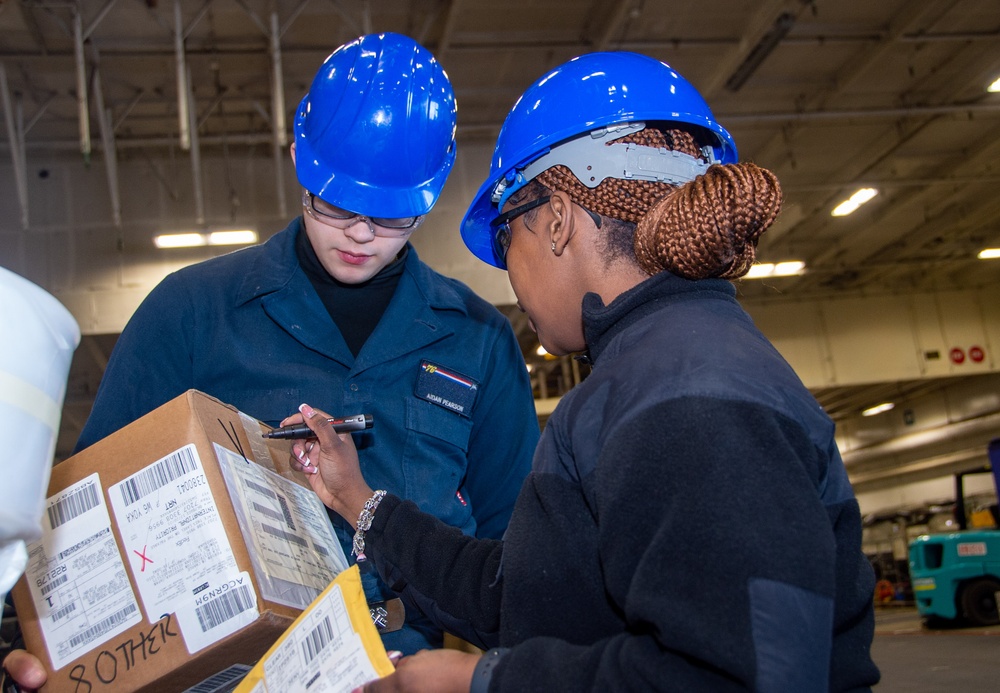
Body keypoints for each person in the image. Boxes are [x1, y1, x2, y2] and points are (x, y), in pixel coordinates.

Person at [283, 51, 882, 692]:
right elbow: (522, 595)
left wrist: (477, 684)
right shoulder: (654, 373)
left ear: (559, 220)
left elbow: (746, 678)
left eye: (508, 237)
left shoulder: (691, 397)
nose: (510, 275)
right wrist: (357, 499)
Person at [1, 33, 538, 682]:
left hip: (408, 673)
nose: (362, 232)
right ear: (298, 158)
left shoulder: (477, 341)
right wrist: (23, 637)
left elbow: (523, 565)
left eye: (393, 213)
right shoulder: (190, 315)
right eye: (338, 202)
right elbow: (88, 513)